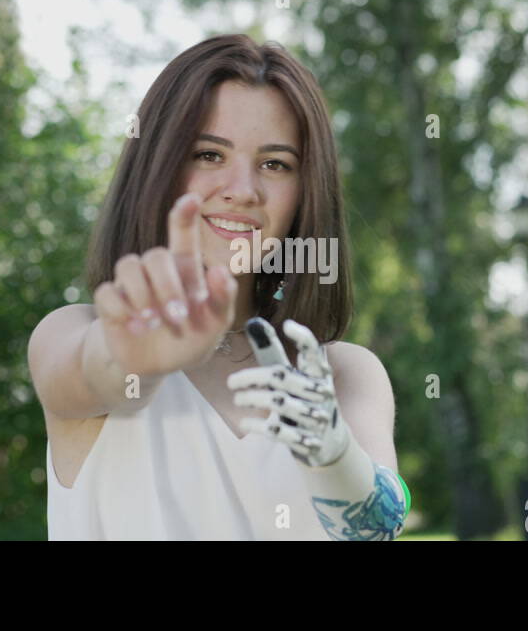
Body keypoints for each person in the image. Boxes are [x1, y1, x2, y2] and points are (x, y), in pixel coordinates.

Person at [28, 33, 410, 540]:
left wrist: (334, 454)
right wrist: (135, 353)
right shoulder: (69, 333)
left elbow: (380, 528)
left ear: (305, 192)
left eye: (275, 164)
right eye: (209, 154)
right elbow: (89, 375)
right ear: (158, 166)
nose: (242, 190)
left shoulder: (346, 374)